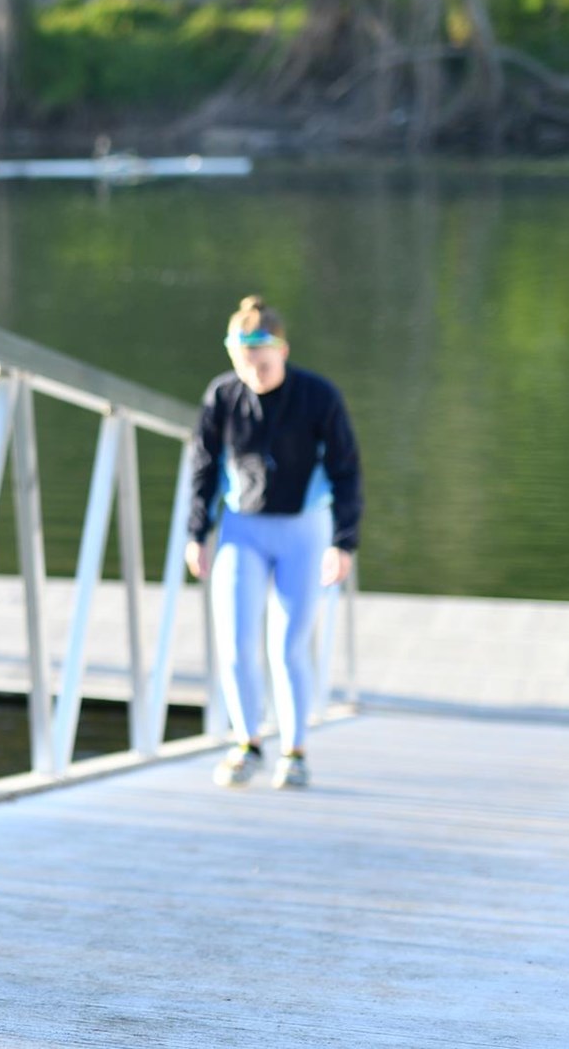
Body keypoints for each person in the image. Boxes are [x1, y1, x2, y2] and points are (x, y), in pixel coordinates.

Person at [184, 296, 361, 790]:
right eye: (243, 365)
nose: (253, 375)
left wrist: (344, 542)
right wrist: (196, 534)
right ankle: (247, 743)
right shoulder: (223, 396)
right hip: (243, 531)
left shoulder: (319, 396)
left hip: (304, 532)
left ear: (282, 351)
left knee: (287, 648)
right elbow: (202, 468)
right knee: (235, 643)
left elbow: (347, 472)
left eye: (262, 364)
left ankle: (294, 751)